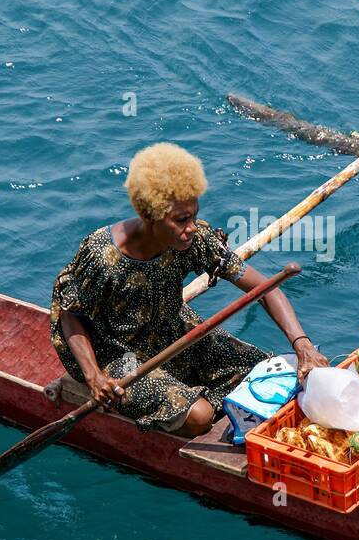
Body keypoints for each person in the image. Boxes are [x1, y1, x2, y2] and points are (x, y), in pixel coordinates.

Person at [49, 142, 329, 438]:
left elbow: (265, 288)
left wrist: (303, 345)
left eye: (194, 215)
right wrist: (94, 377)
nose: (193, 227)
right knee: (200, 416)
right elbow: (70, 316)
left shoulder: (194, 239)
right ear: (150, 216)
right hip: (112, 351)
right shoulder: (102, 255)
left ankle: (193, 392)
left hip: (167, 327)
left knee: (266, 369)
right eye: (182, 220)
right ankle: (93, 388)